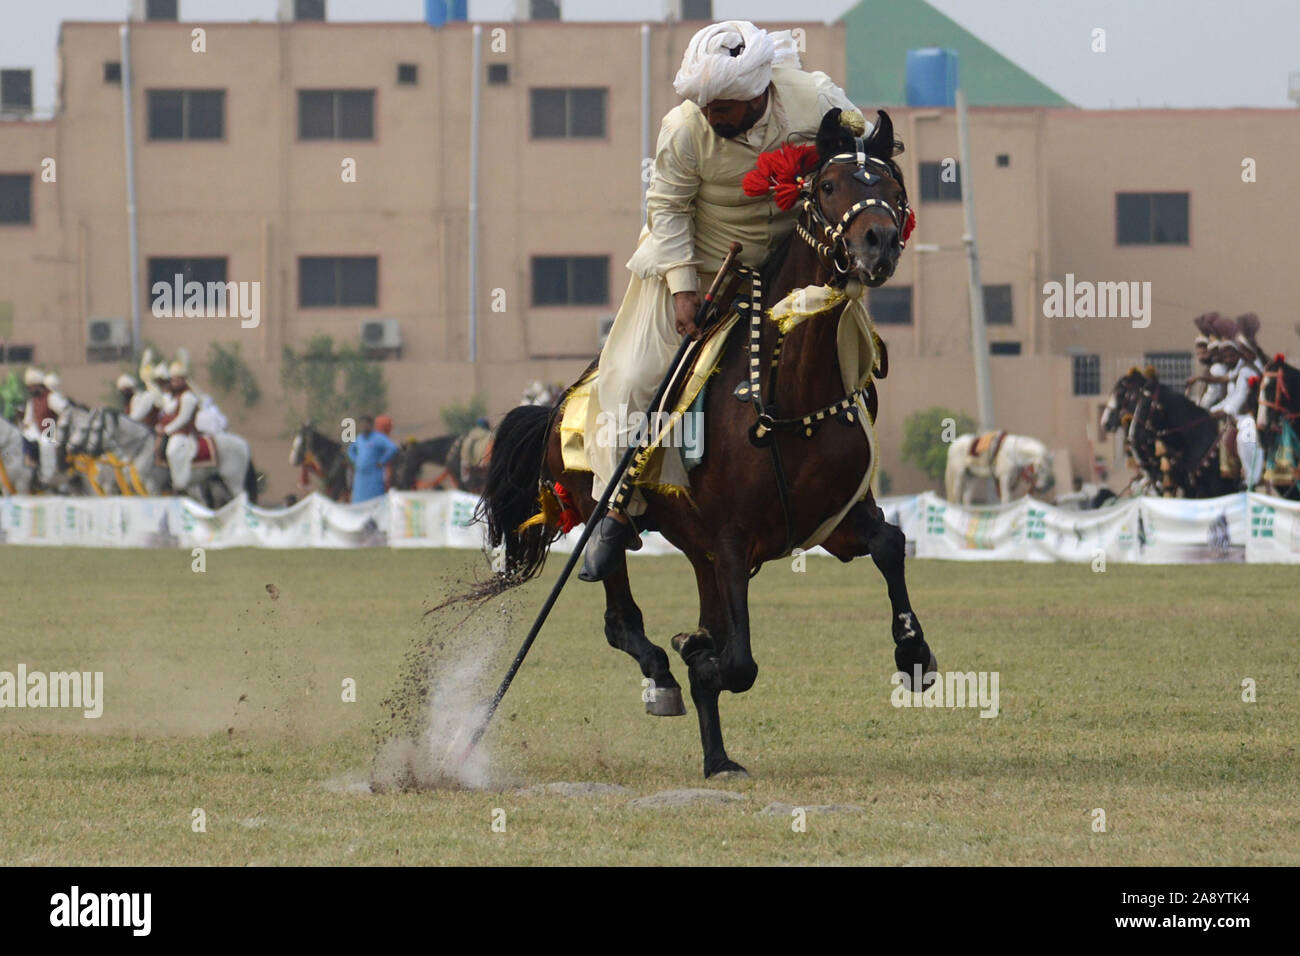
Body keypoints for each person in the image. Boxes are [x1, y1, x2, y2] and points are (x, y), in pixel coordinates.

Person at [578, 19, 862, 582]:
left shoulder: (817, 100)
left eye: (723, 106)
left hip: (789, 269)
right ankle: (615, 510)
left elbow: (855, 166)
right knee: (632, 378)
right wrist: (684, 290)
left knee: (849, 359)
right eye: (705, 105)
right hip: (696, 268)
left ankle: (854, 487)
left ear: (760, 91)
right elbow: (667, 212)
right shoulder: (683, 130)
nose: (712, 115)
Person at [346, 414, 398, 503]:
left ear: (371, 425)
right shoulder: (359, 439)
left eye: (366, 424)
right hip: (360, 477)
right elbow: (350, 450)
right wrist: (355, 460)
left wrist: (382, 461)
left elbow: (392, 448)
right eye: (362, 424)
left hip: (373, 476)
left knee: (374, 502)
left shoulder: (378, 438)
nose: (364, 427)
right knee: (359, 502)